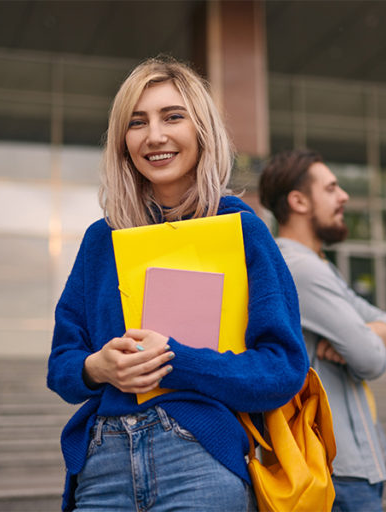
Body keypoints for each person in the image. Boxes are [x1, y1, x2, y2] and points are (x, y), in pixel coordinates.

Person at [47, 57, 309, 512]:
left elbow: (281, 369)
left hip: (198, 457)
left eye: (173, 116)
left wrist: (175, 360)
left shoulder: (242, 230)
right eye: (137, 122)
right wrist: (98, 367)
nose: (155, 136)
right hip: (103, 464)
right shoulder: (101, 239)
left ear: (201, 129)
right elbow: (62, 364)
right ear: (123, 142)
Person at [258, 149, 386, 512]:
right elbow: (372, 359)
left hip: (349, 467)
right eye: (331, 188)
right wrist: (371, 337)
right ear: (298, 201)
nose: (344, 197)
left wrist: (367, 331)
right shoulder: (301, 271)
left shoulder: (320, 267)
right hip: (334, 473)